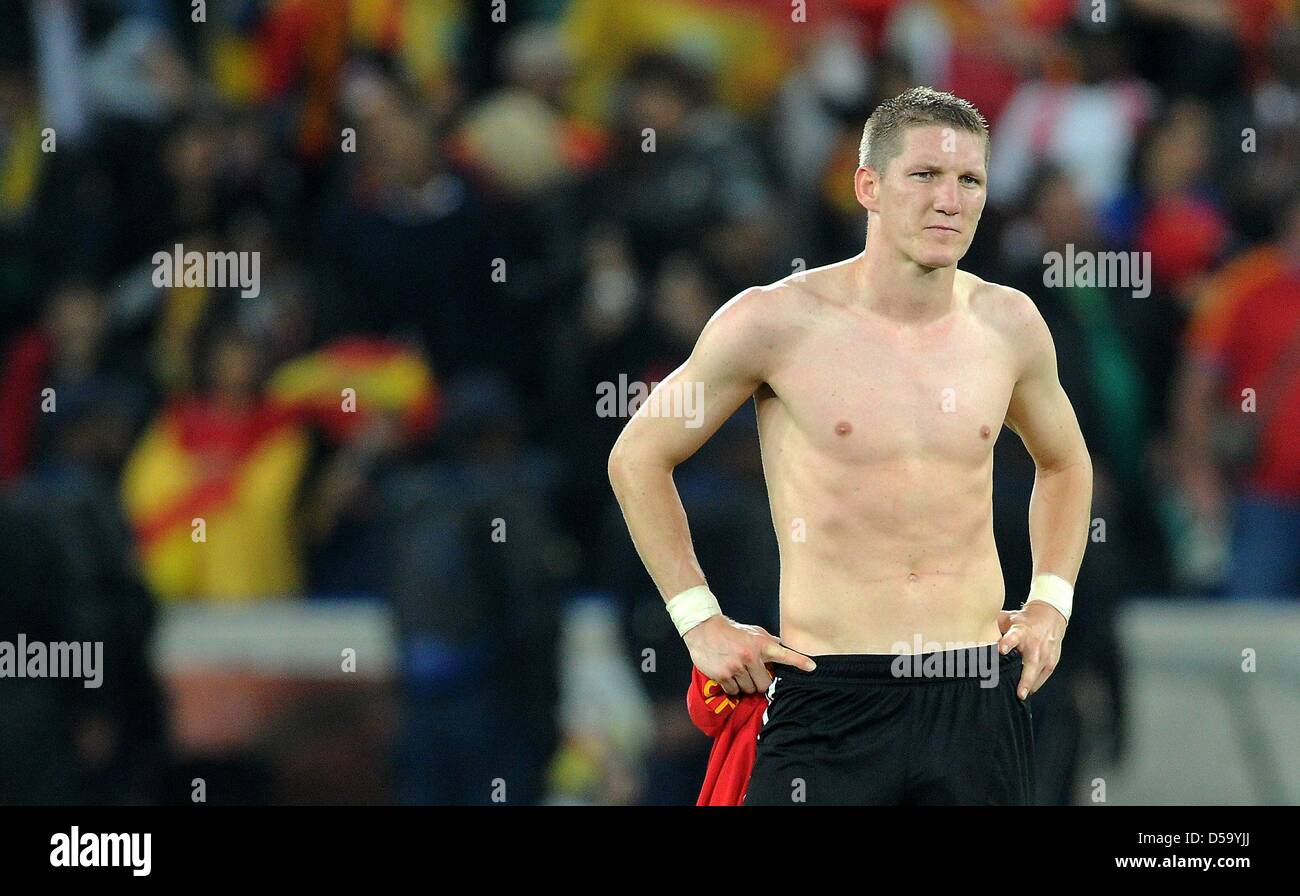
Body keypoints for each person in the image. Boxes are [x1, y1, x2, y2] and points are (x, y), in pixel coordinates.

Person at [607, 87, 1094, 805]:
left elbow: (1066, 461)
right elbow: (637, 456)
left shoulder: (1010, 325)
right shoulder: (775, 320)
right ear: (868, 185)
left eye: (970, 181)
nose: (949, 200)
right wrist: (698, 621)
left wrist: (1051, 604)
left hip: (974, 698)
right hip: (828, 697)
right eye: (924, 175)